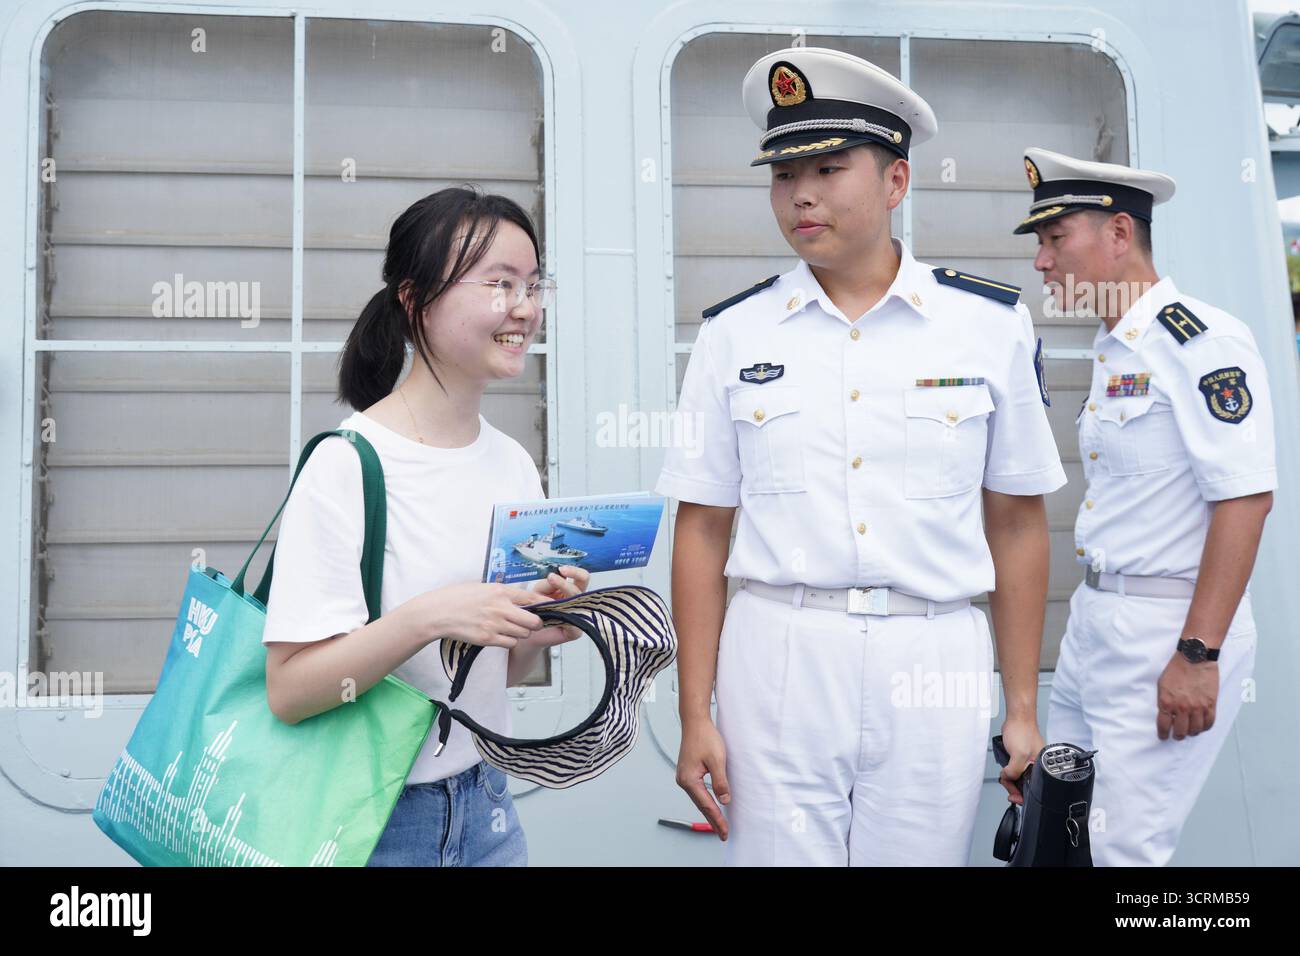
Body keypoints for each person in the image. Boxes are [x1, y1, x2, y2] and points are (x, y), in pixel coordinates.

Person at [655, 47, 1066, 866]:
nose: (800, 194)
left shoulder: (987, 325)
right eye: (783, 174)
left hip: (934, 650)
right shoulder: (734, 334)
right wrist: (695, 712)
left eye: (828, 168)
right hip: (778, 649)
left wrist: (1021, 704)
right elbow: (701, 531)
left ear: (897, 182)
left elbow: (1018, 523)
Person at [261, 186, 589, 866]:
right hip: (373, 821)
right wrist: (430, 616)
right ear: (415, 301)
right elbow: (291, 692)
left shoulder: (513, 465)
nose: (523, 308)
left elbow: (495, 671)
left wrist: (535, 629)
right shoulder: (348, 464)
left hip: (487, 805)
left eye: (533, 285)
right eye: (499, 284)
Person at [1016, 146, 1276, 866]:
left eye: (1054, 238)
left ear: (1120, 234)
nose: (1042, 261)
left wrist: (1198, 653)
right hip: (1099, 622)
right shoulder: (1115, 348)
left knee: (1118, 848)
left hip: (1168, 628)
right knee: (1053, 833)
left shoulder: (1200, 341)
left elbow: (1245, 501)